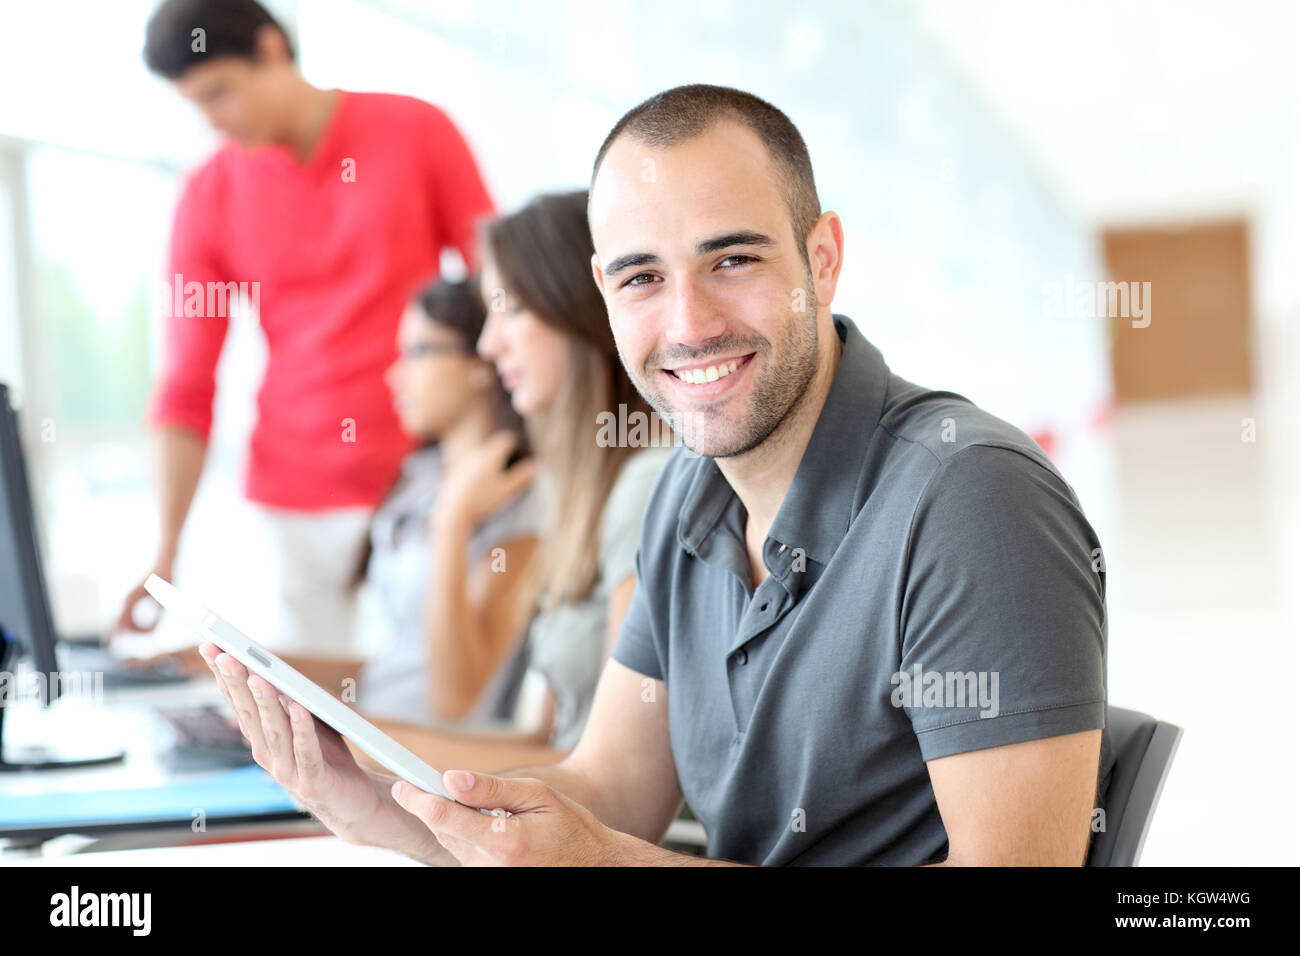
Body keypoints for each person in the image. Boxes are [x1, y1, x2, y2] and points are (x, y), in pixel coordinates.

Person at [204, 85, 1111, 867]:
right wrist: (383, 809)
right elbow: (611, 789)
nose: (690, 323)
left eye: (734, 259)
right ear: (604, 292)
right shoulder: (687, 490)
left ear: (823, 259)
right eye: (642, 278)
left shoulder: (972, 499)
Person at [207, 190, 672, 773]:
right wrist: (316, 725)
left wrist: (340, 744)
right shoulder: (583, 501)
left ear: (577, 307)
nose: (489, 341)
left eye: (513, 309)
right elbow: (547, 743)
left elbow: (600, 775)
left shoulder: (632, 490)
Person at [116, 0, 495, 660]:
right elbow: (185, 382)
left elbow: (499, 285)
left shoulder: (414, 130)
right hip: (293, 493)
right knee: (317, 725)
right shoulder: (207, 194)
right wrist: (166, 547)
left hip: (426, 477)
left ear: (271, 49)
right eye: (194, 105)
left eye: (219, 92)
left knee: (435, 705)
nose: (212, 121)